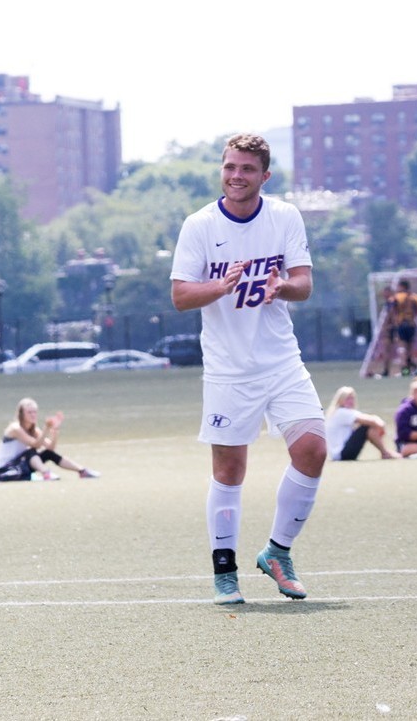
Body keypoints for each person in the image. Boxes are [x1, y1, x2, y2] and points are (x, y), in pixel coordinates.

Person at [170, 133, 326, 606]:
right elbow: (180, 296)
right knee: (230, 468)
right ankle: (224, 573)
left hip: (281, 361)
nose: (236, 176)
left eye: (247, 170)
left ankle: (278, 552)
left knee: (313, 449)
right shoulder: (198, 225)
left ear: (265, 176)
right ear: (222, 170)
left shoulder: (284, 217)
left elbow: (304, 283)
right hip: (228, 371)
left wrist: (283, 286)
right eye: (230, 167)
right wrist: (220, 286)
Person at [0, 398, 101, 481]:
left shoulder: (34, 429)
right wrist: (46, 428)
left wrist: (55, 431)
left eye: (34, 412)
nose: (33, 415)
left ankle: (82, 471)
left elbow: (50, 448)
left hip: (20, 466)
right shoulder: (15, 428)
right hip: (6, 469)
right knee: (31, 452)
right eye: (29, 412)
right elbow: (36, 445)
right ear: (21, 414)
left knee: (47, 453)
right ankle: (46, 473)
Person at [324, 386, 397, 461]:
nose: (350, 401)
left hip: (339, 454)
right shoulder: (342, 412)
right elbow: (372, 421)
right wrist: (382, 427)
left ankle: (385, 452)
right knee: (367, 427)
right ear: (340, 400)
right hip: (342, 454)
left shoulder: (338, 412)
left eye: (352, 398)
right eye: (347, 398)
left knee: (366, 427)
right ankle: (385, 453)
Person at [385, 279, 417, 377]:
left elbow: (392, 311)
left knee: (402, 348)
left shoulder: (396, 297)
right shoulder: (415, 298)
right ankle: (411, 369)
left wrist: (394, 322)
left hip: (401, 325)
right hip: (412, 325)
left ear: (401, 286)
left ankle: (405, 371)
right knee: (410, 349)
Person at [393, 377, 417, 458]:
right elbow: (403, 434)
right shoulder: (404, 410)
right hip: (407, 444)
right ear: (413, 393)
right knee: (410, 448)